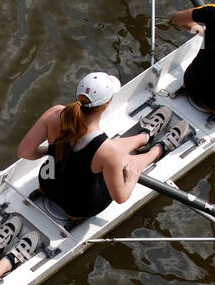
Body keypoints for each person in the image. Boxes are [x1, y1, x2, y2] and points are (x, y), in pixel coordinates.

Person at [14, 71, 189, 222]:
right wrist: (131, 180)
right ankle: (157, 150)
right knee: (122, 161)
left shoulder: (54, 114)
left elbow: (24, 152)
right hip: (78, 207)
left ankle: (144, 136)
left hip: (47, 182)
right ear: (106, 105)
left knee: (104, 152)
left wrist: (52, 151)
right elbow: (120, 197)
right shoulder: (106, 150)